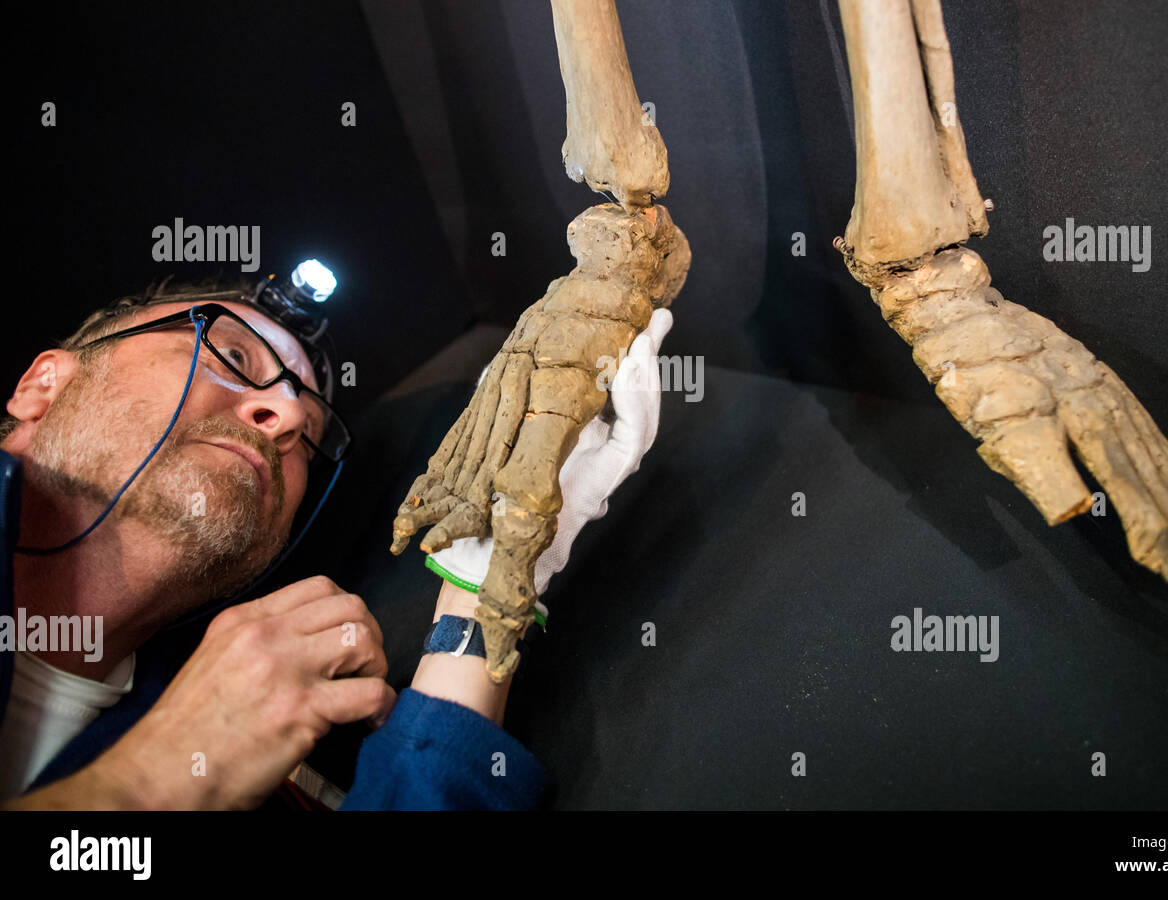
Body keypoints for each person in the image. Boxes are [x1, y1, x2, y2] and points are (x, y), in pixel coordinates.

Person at [0, 277, 671, 809]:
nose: (289, 416)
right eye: (233, 356)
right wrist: (165, 771)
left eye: (313, 429)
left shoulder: (246, 736)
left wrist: (489, 582)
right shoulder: (202, 738)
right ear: (43, 385)